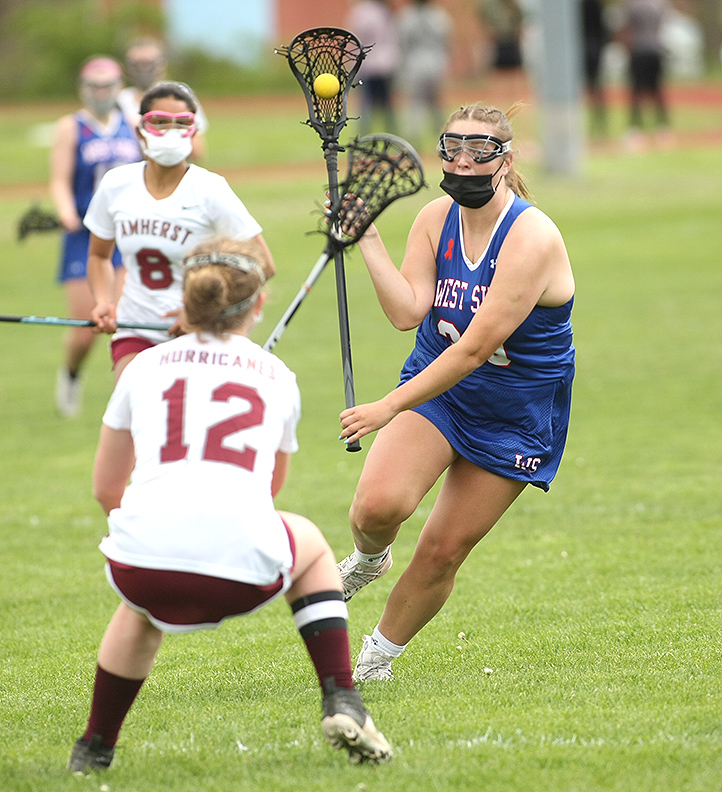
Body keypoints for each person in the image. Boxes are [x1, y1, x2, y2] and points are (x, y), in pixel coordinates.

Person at [67, 237, 393, 774]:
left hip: (141, 566)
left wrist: (156, 535)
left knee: (140, 613)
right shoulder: (277, 377)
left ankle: (94, 748)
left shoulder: (143, 369)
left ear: (183, 300)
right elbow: (269, 492)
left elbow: (106, 486)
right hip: (238, 567)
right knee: (309, 544)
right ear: (257, 305)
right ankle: (341, 696)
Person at [336, 103, 576, 681]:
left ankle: (376, 660)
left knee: (442, 550)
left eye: (481, 150)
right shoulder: (434, 217)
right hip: (442, 393)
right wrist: (366, 237)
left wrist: (387, 406)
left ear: (507, 158)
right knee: (377, 507)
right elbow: (406, 313)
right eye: (452, 148)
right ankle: (369, 559)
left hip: (513, 411)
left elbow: (471, 350)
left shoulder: (531, 237)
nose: (463, 161)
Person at [84, 80, 274, 384]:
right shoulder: (115, 183)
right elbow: (98, 255)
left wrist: (199, 312)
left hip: (201, 333)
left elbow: (262, 263)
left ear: (194, 131)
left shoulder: (210, 189)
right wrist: (104, 300)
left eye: (181, 123)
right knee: (136, 413)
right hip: (136, 328)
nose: (170, 132)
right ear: (139, 130)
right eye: (159, 122)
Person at [49, 56, 142, 417]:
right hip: (84, 236)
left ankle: (126, 397)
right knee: (86, 326)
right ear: (83, 90)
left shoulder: (132, 125)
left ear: (118, 88)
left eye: (108, 86)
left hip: (125, 236)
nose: (101, 93)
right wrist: (66, 211)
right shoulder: (71, 128)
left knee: (121, 317)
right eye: (94, 87)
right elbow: (59, 179)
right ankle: (71, 374)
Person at [118, 38, 208, 160]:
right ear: (127, 67)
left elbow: (197, 151)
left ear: (162, 65)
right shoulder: (119, 100)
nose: (143, 70)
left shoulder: (180, 95)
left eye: (149, 64)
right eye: (136, 64)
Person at [397, 0, 453, 150]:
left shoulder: (406, 17)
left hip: (414, 65)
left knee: (415, 104)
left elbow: (402, 44)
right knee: (436, 105)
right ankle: (443, 138)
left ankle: (414, 141)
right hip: (436, 64)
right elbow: (446, 42)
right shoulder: (439, 16)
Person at [617, 0, 672, 150]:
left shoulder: (632, 5)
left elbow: (627, 29)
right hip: (656, 49)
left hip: (639, 50)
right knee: (657, 90)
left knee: (636, 91)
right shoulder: (660, 4)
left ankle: (636, 129)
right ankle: (663, 129)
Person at [347, 0, 400, 135]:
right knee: (387, 104)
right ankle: (392, 134)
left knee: (366, 104)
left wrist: (351, 65)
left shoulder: (362, 11)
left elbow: (356, 40)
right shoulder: (385, 10)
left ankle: (364, 135)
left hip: (368, 65)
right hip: (386, 63)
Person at [581, 0, 610, 137]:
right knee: (597, 88)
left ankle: (592, 123)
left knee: (589, 89)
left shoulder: (579, 5)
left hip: (583, 50)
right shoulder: (597, 5)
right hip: (595, 49)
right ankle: (600, 122)